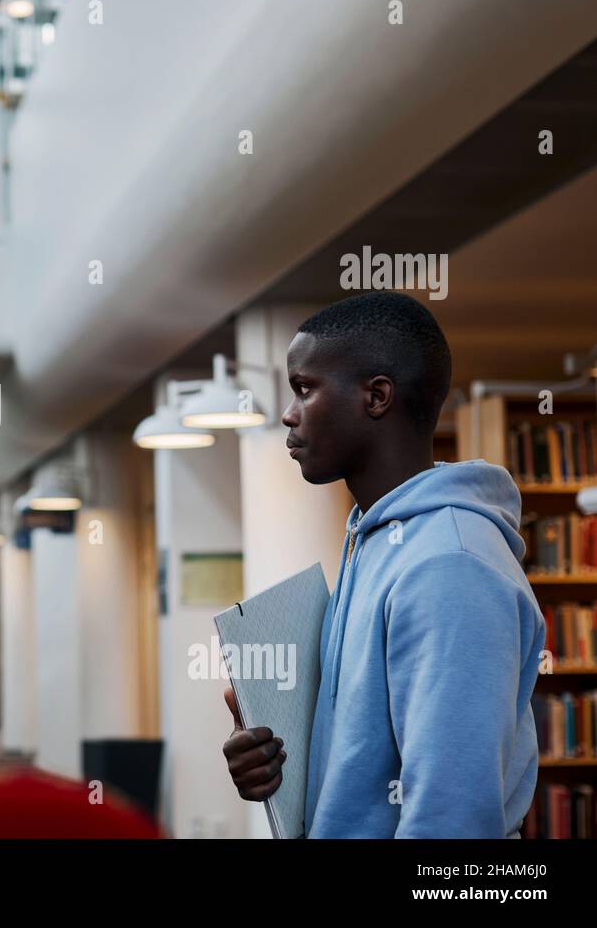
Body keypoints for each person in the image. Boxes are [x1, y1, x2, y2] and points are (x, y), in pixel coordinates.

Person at [222, 291, 545, 838]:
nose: (288, 413)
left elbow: (452, 822)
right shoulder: (376, 539)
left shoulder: (449, 563)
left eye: (305, 388)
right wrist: (279, 766)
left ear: (376, 397)